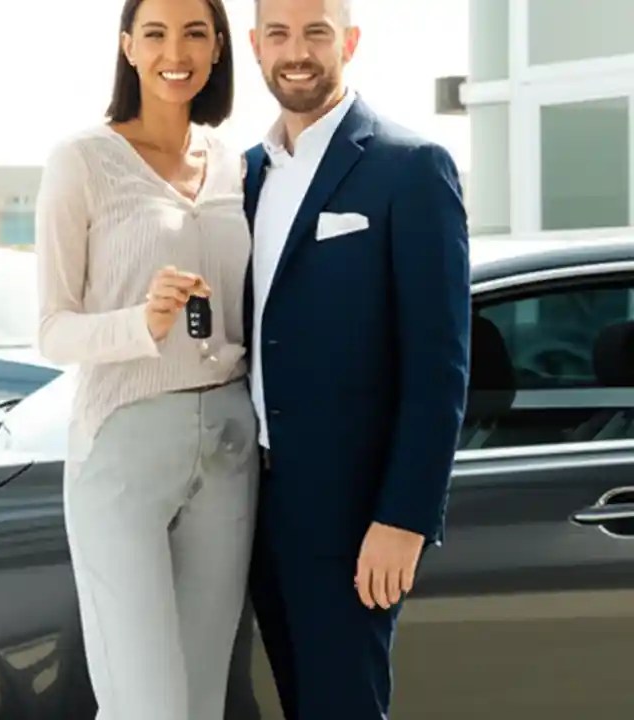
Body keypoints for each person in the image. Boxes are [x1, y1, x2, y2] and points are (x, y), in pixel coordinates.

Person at [241, 0, 472, 717]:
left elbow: (440, 369)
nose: (297, 52)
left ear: (351, 41)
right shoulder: (245, 174)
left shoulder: (412, 167)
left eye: (317, 33)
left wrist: (404, 519)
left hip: (353, 514)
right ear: (255, 45)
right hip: (252, 501)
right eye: (278, 34)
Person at [34, 0, 258, 717]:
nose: (176, 50)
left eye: (196, 32)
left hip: (228, 443)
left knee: (201, 703)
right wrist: (142, 322)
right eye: (156, 33)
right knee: (146, 706)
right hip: (124, 444)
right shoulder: (83, 161)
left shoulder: (235, 166)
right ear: (128, 47)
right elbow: (52, 330)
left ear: (218, 48)